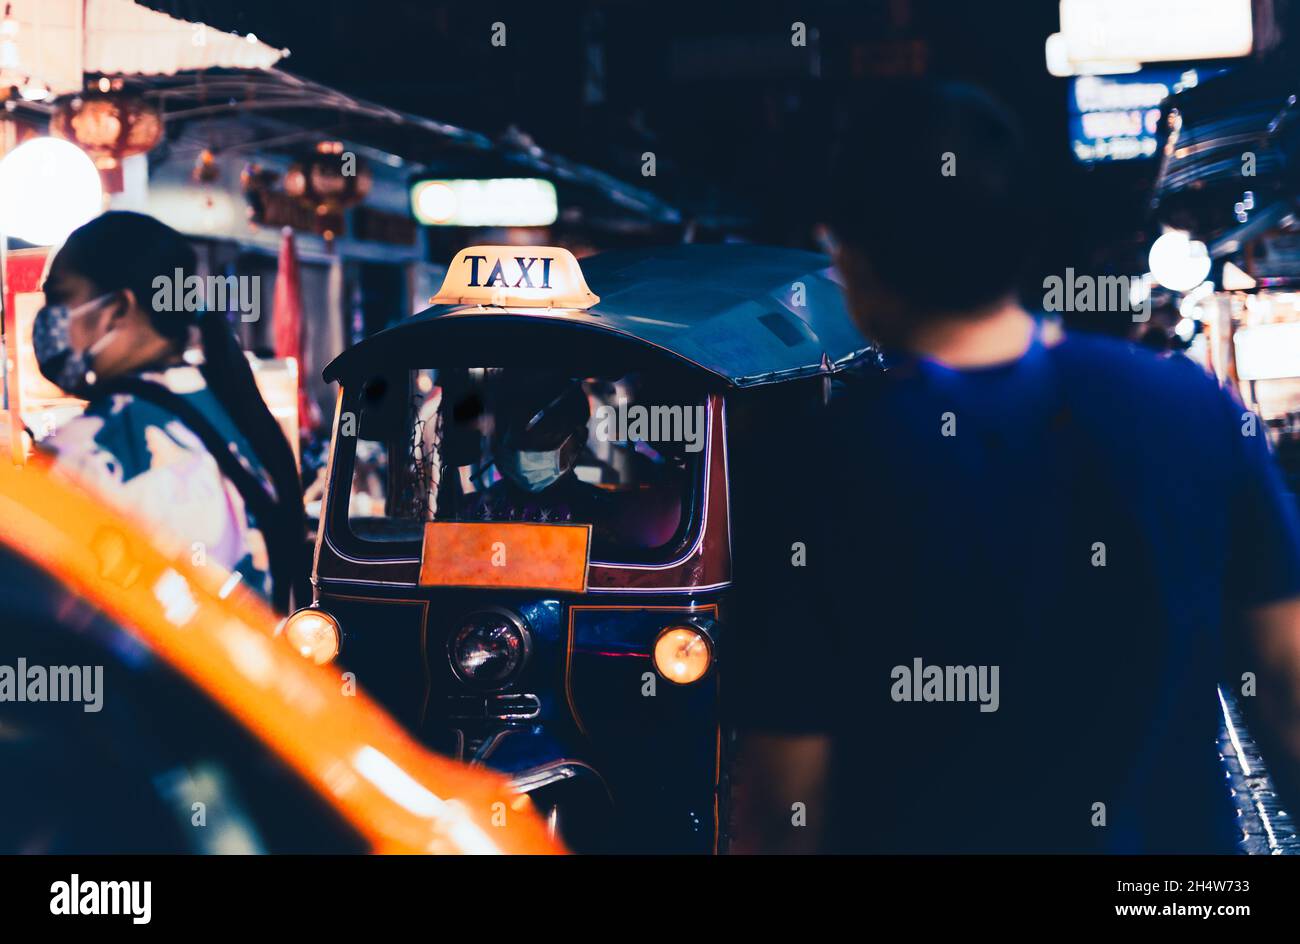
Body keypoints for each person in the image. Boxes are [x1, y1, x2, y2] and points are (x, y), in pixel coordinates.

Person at [733, 81, 1300, 853]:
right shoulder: (1188, 408)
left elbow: (784, 794)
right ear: (1023, 239)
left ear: (854, 256)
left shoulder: (816, 467)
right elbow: (1287, 687)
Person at [31, 211, 306, 613]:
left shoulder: (90, 448)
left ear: (119, 308)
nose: (47, 318)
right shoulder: (227, 413)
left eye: (59, 297)